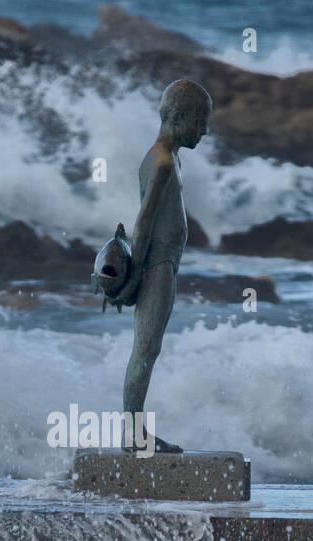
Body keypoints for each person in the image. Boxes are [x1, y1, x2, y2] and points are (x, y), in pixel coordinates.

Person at [111, 79, 211, 454]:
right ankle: (132, 435)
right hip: (158, 265)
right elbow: (143, 224)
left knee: (147, 349)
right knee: (146, 350)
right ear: (180, 117)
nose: (205, 130)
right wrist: (133, 279)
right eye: (201, 120)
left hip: (165, 264)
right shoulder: (164, 163)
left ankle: (134, 432)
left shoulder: (165, 157)